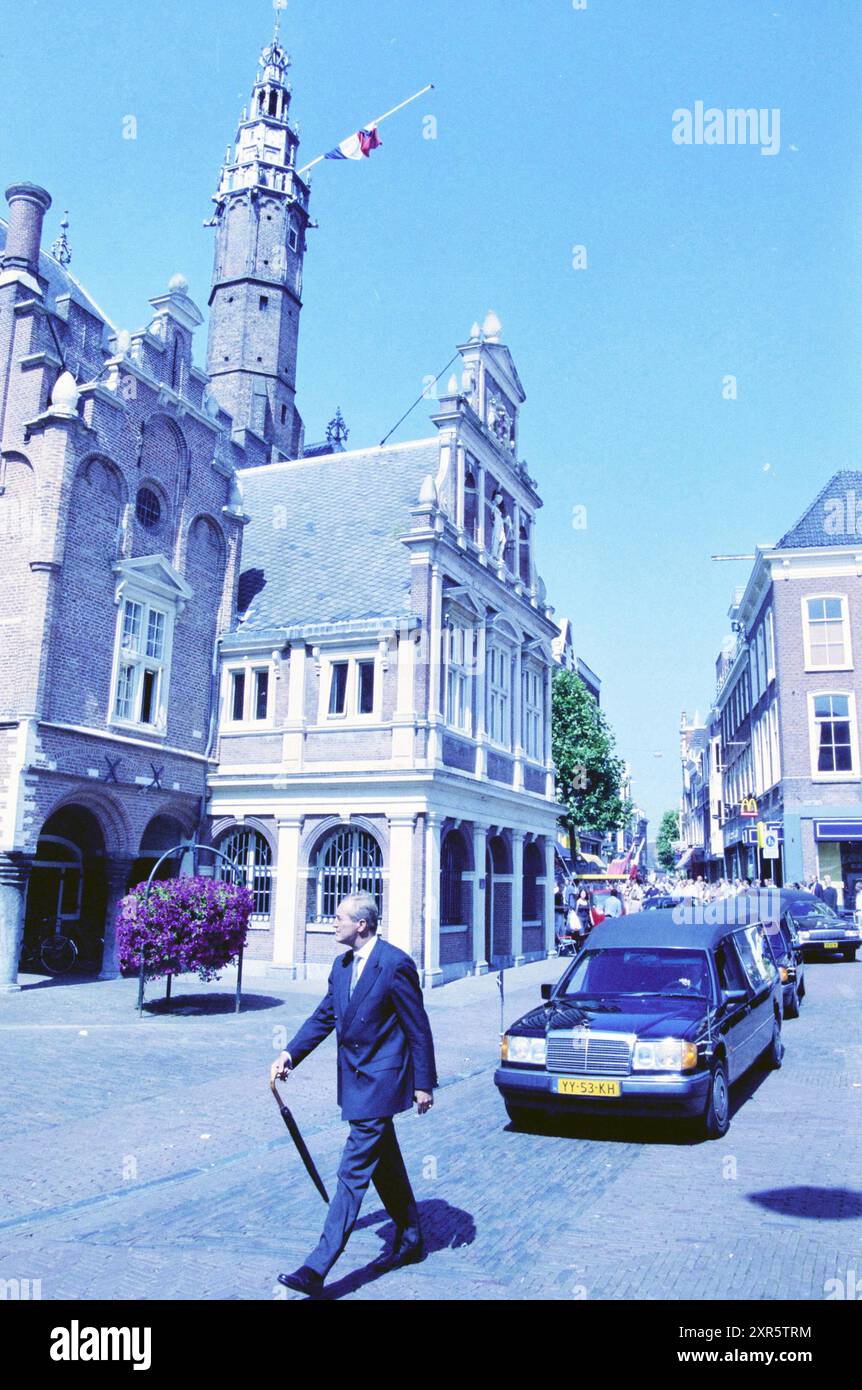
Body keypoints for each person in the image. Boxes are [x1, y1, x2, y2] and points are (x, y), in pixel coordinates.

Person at [271, 892, 437, 1296]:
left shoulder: (395, 964)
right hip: (355, 1081)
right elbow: (324, 1016)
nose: (333, 923)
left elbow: (418, 1026)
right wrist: (290, 1053)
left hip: (381, 1082)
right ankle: (412, 1238)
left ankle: (317, 1266)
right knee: (386, 1165)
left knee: (351, 1174)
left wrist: (423, 1083)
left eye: (339, 918)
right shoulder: (341, 966)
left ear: (361, 924)